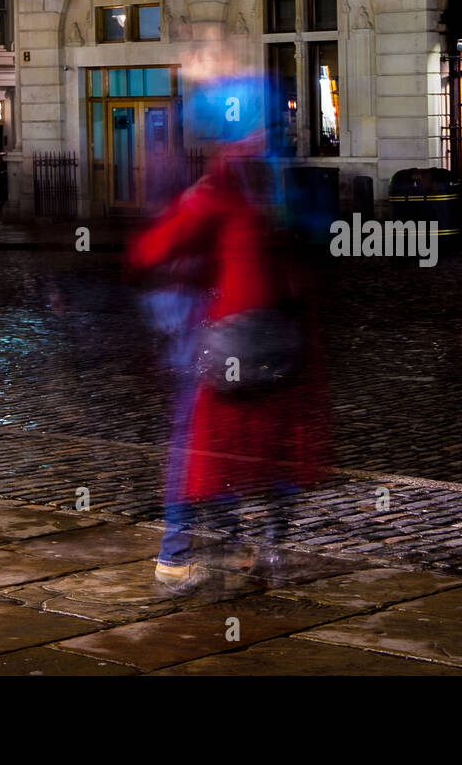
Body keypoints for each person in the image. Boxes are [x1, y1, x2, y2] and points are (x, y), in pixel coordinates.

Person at [126, 73, 333, 593]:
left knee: (199, 445)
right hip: (288, 340)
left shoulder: (224, 183)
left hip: (232, 341)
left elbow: (152, 250)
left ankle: (178, 557)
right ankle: (260, 548)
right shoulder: (282, 183)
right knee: (272, 449)